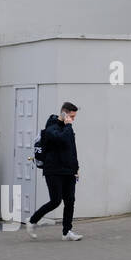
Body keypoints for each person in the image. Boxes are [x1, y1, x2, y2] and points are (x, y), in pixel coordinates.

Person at [28, 102, 83, 240]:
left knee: (70, 200)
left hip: (68, 170)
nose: (73, 119)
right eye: (71, 116)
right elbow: (62, 139)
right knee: (55, 201)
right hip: (53, 170)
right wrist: (68, 125)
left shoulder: (67, 128)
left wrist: (76, 168)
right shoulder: (51, 127)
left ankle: (67, 232)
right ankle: (32, 221)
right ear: (64, 114)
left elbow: (72, 149)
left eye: (74, 117)